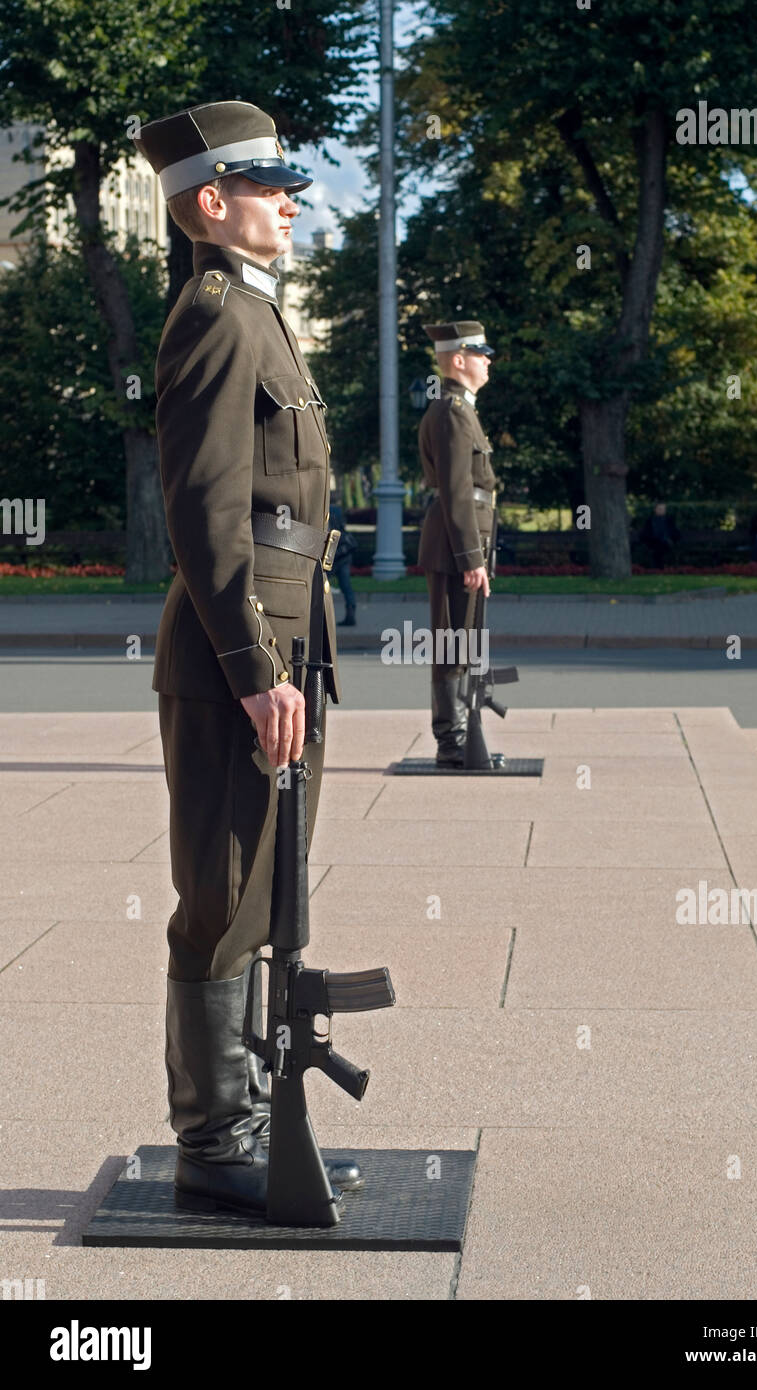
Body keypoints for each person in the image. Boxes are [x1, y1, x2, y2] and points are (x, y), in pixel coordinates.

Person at [135, 100, 359, 1216]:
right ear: (209, 202)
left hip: (282, 642)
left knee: (268, 888)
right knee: (223, 898)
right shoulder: (218, 317)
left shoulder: (260, 315)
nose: (290, 200)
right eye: (269, 185)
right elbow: (208, 512)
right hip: (243, 657)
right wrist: (255, 665)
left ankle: (253, 1116)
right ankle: (213, 1139)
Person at [417, 321, 497, 766]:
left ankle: (461, 736)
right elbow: (456, 488)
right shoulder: (451, 411)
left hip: (461, 542)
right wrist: (471, 556)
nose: (488, 360)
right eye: (480, 353)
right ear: (459, 359)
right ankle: (452, 742)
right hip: (454, 546)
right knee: (452, 642)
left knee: (462, 640)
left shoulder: (462, 410)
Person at [328, 494, 358, 626]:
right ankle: (350, 614)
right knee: (346, 586)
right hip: (344, 553)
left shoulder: (325, 509)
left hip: (333, 551)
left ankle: (321, 615)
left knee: (321, 583)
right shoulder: (338, 510)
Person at [639, 501, 680, 569]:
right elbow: (644, 534)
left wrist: (671, 539)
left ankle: (662, 568)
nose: (662, 511)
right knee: (657, 549)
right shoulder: (650, 520)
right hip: (653, 543)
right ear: (655, 510)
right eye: (660, 509)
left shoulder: (669, 520)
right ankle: (658, 568)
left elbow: (675, 533)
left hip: (667, 543)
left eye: (663, 509)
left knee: (663, 547)